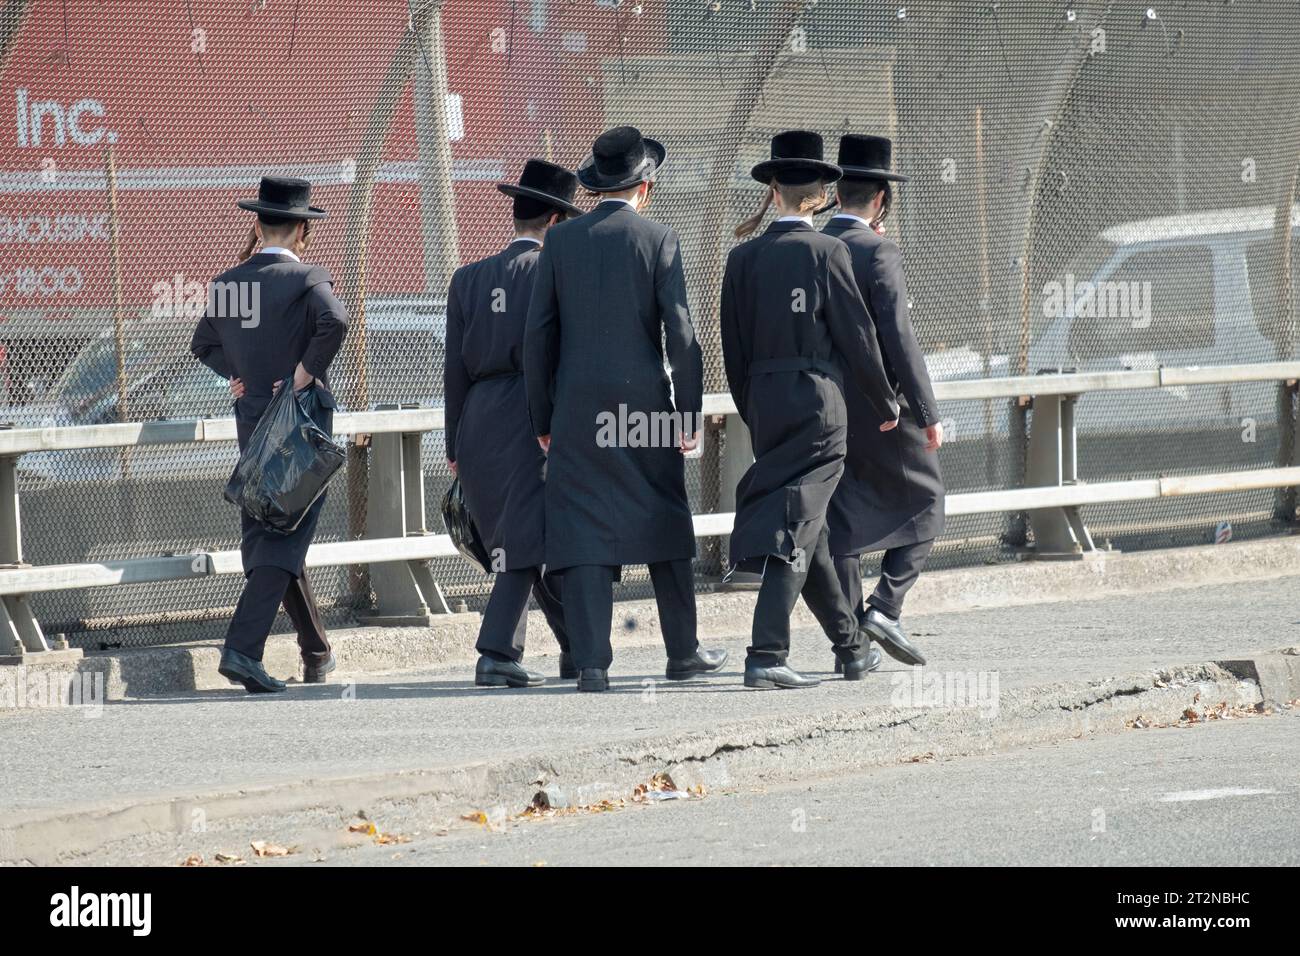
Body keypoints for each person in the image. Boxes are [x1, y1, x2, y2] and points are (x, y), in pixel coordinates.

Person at [523, 125, 726, 692]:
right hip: (644, 407)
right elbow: (682, 337)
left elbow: (537, 338)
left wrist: (544, 419)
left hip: (577, 411)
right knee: (663, 514)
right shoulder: (660, 239)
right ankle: (682, 653)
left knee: (582, 524)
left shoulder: (561, 242)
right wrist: (687, 413)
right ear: (646, 186)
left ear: (597, 185)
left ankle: (592, 663)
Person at [720, 130, 899, 690]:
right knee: (798, 523)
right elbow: (857, 337)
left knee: (810, 526)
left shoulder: (743, 257)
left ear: (773, 190)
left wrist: (753, 406)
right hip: (820, 405)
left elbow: (733, 347)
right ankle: (766, 652)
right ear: (823, 193)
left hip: (767, 404)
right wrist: (883, 398)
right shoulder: (829, 252)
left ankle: (850, 649)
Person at [191, 176, 347, 693]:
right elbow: (336, 322)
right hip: (299, 422)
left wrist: (233, 375)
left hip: (253, 418)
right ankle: (243, 649)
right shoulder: (308, 278)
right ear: (303, 229)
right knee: (283, 535)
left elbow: (203, 346)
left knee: (272, 527)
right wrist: (304, 373)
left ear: (257, 225)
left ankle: (315, 651)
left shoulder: (228, 283)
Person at [445, 159, 581, 688]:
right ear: (554, 221)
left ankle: (581, 647)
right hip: (533, 413)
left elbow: (453, 367)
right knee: (526, 538)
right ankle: (498, 648)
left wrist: (455, 439)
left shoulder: (468, 278)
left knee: (529, 534)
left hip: (478, 415)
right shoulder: (555, 273)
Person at [821, 135, 942, 669]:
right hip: (884, 409)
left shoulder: (815, 245)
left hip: (824, 406)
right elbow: (899, 336)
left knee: (842, 520)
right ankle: (886, 607)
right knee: (927, 500)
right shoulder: (879, 251)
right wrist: (926, 410)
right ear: (881, 199)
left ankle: (852, 648)